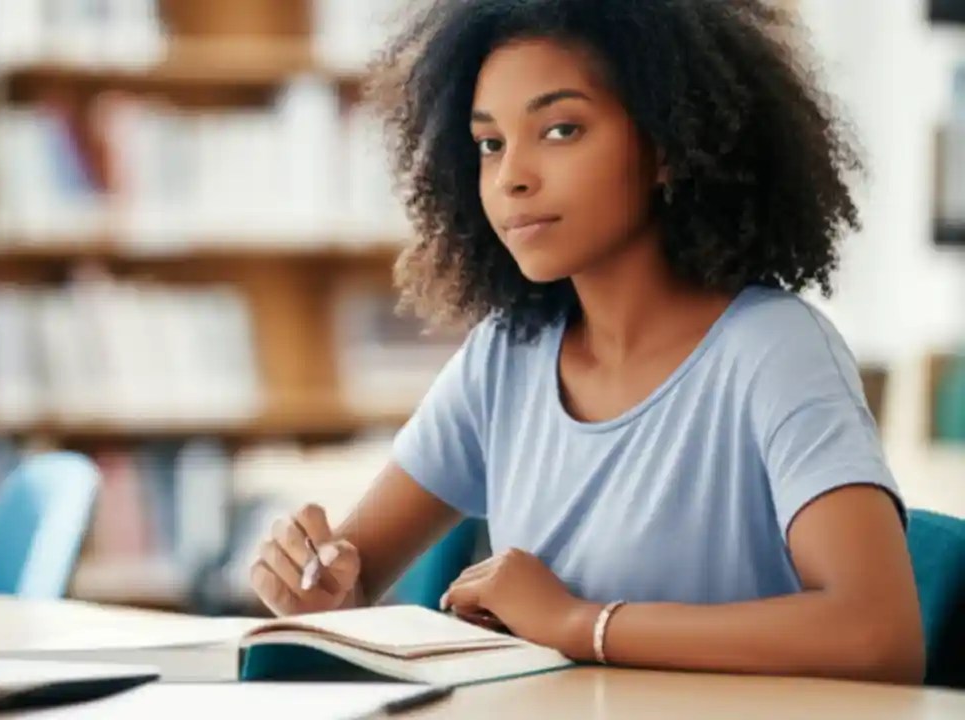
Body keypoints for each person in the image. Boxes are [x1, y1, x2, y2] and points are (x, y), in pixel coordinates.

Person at [249, 0, 925, 685]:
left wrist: (581, 622)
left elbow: (878, 635)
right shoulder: (504, 357)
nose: (513, 175)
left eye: (561, 129)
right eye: (490, 144)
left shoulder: (774, 351)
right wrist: (318, 588)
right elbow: (352, 579)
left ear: (666, 145)